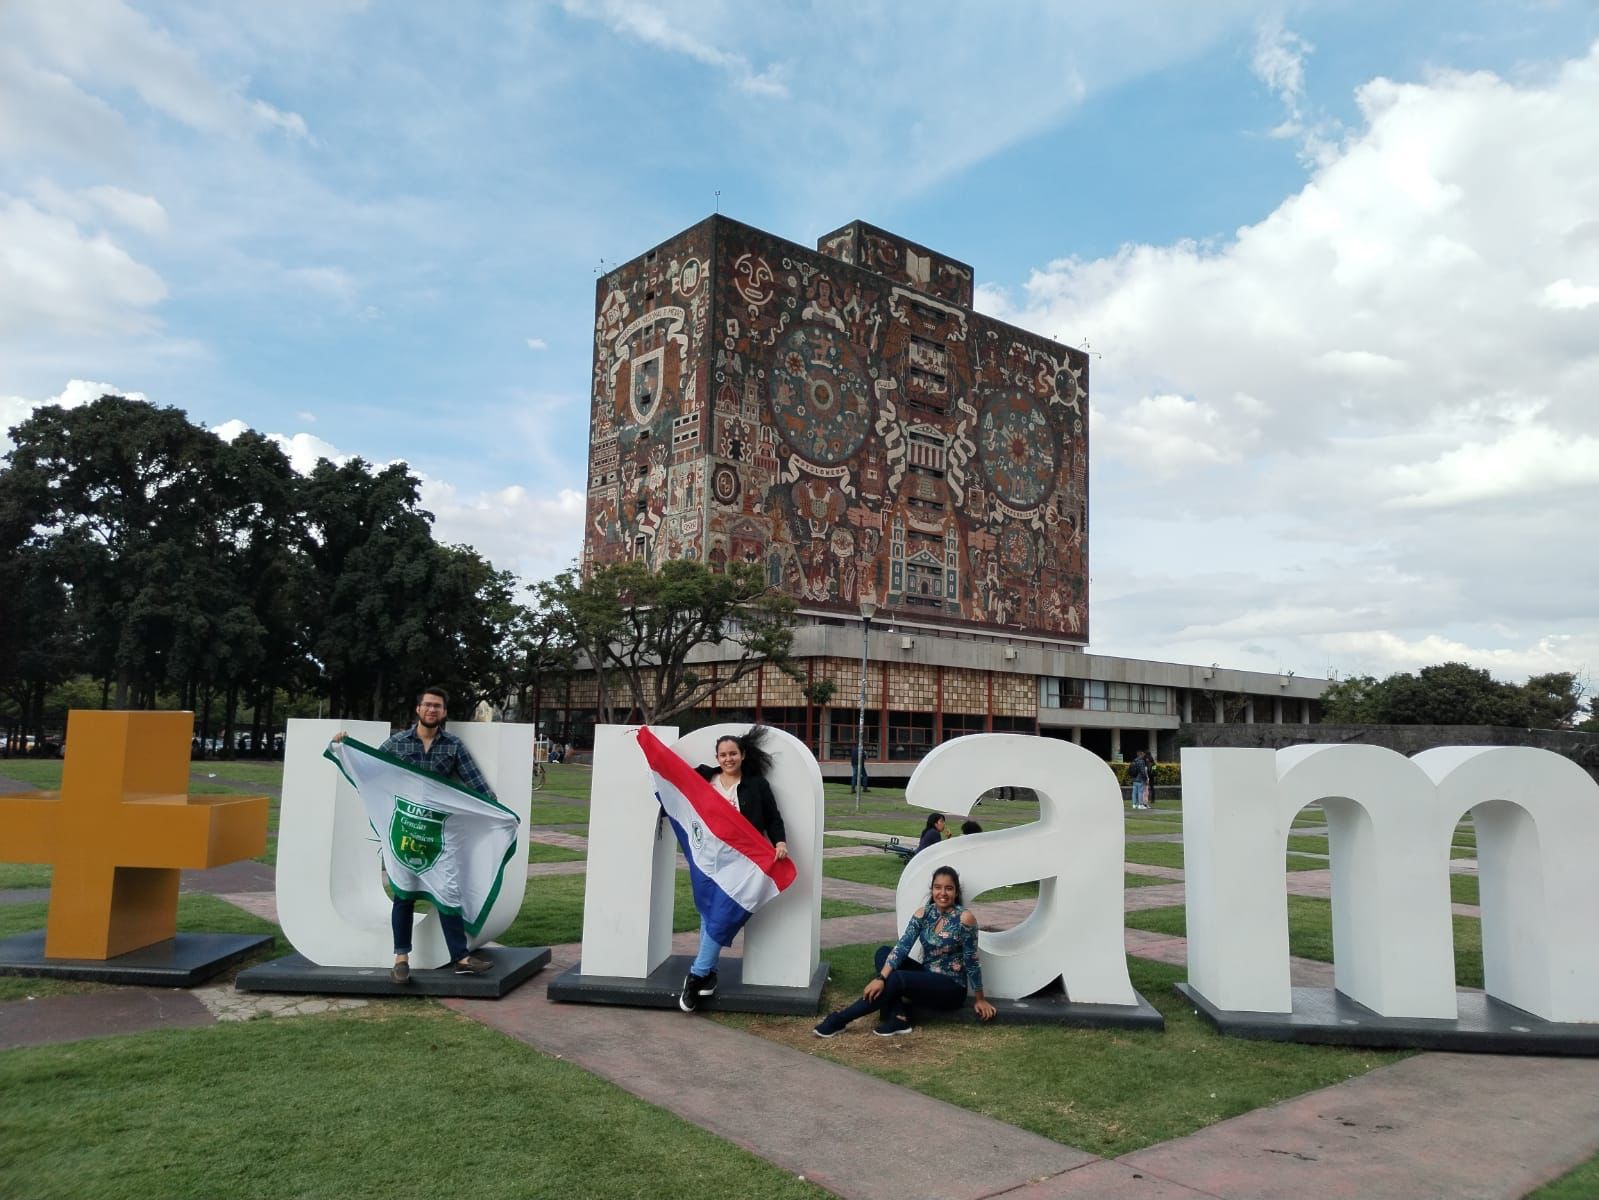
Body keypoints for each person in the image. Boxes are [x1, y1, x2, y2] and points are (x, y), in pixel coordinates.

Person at [375, 685, 497, 984]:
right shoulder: (397, 743)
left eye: (438, 706)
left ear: (444, 713)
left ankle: (461, 958)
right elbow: (370, 769)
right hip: (404, 828)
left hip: (439, 833)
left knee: (448, 893)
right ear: (418, 709)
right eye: (427, 705)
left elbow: (477, 785)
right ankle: (401, 959)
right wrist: (345, 748)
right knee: (403, 895)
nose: (432, 710)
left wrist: (500, 812)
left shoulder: (453, 746)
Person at [813, 865, 996, 1037]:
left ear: (956, 892)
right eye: (938, 887)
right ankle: (899, 1016)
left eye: (948, 888)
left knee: (897, 978)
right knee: (883, 953)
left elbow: (972, 961)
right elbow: (902, 947)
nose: (942, 893)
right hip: (926, 976)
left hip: (951, 988)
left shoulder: (965, 918)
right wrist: (880, 978)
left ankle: (840, 1019)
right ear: (932, 889)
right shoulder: (924, 913)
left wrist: (980, 999)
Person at [680, 726, 790, 1012]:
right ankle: (709, 972)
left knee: (718, 917)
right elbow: (676, 782)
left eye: (733, 754)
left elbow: (772, 818)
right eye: (723, 754)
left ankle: (695, 976)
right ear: (717, 757)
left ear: (742, 755)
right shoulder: (705, 778)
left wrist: (779, 842)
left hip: (740, 864)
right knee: (708, 914)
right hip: (707, 860)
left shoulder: (757, 784)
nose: (728, 758)